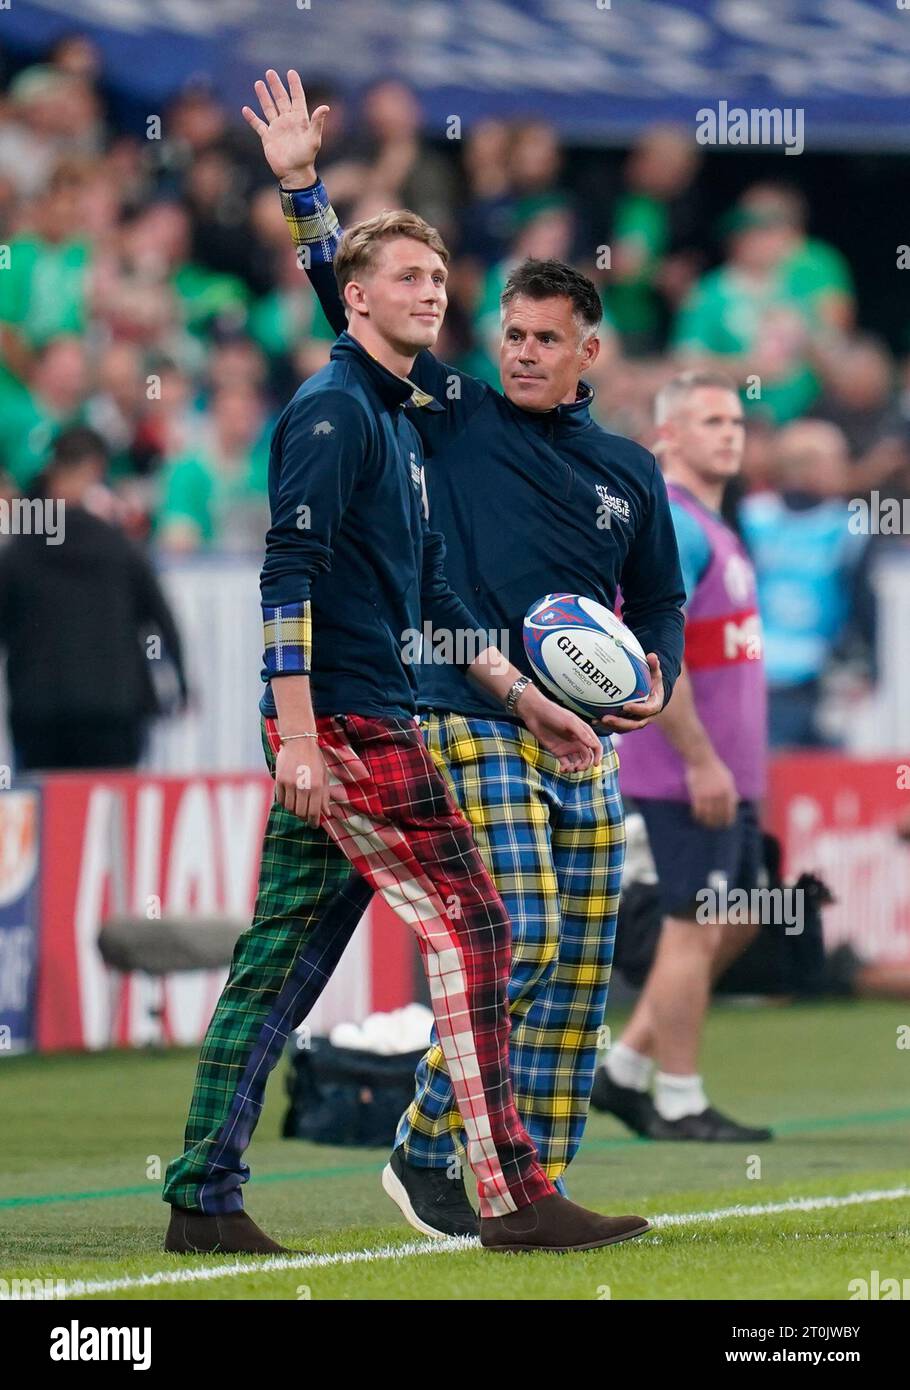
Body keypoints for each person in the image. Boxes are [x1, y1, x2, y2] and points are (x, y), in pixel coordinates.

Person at [162, 126, 650, 1255]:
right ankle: (509, 1193)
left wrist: (523, 696)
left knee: (277, 963)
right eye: (408, 278)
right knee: (480, 925)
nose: (433, 292)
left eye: (439, 275)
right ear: (358, 298)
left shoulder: (403, 415)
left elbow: (433, 592)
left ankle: (201, 1193)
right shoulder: (337, 414)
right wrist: (296, 738)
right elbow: (286, 577)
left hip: (359, 714)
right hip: (346, 720)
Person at [591, 371, 773, 1142]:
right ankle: (679, 1095)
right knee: (693, 925)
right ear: (666, 436)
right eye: (708, 421)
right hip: (680, 774)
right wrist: (699, 759)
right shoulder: (681, 524)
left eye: (735, 420)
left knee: (740, 914)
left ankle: (626, 1069)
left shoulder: (716, 525)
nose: (729, 433)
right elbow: (658, 654)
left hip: (725, 772)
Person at [0, 426, 187, 771]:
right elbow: (161, 617)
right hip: (113, 712)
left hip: (39, 714)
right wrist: (182, 683)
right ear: (96, 469)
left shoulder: (19, 549)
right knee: (111, 817)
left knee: (46, 816)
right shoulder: (120, 545)